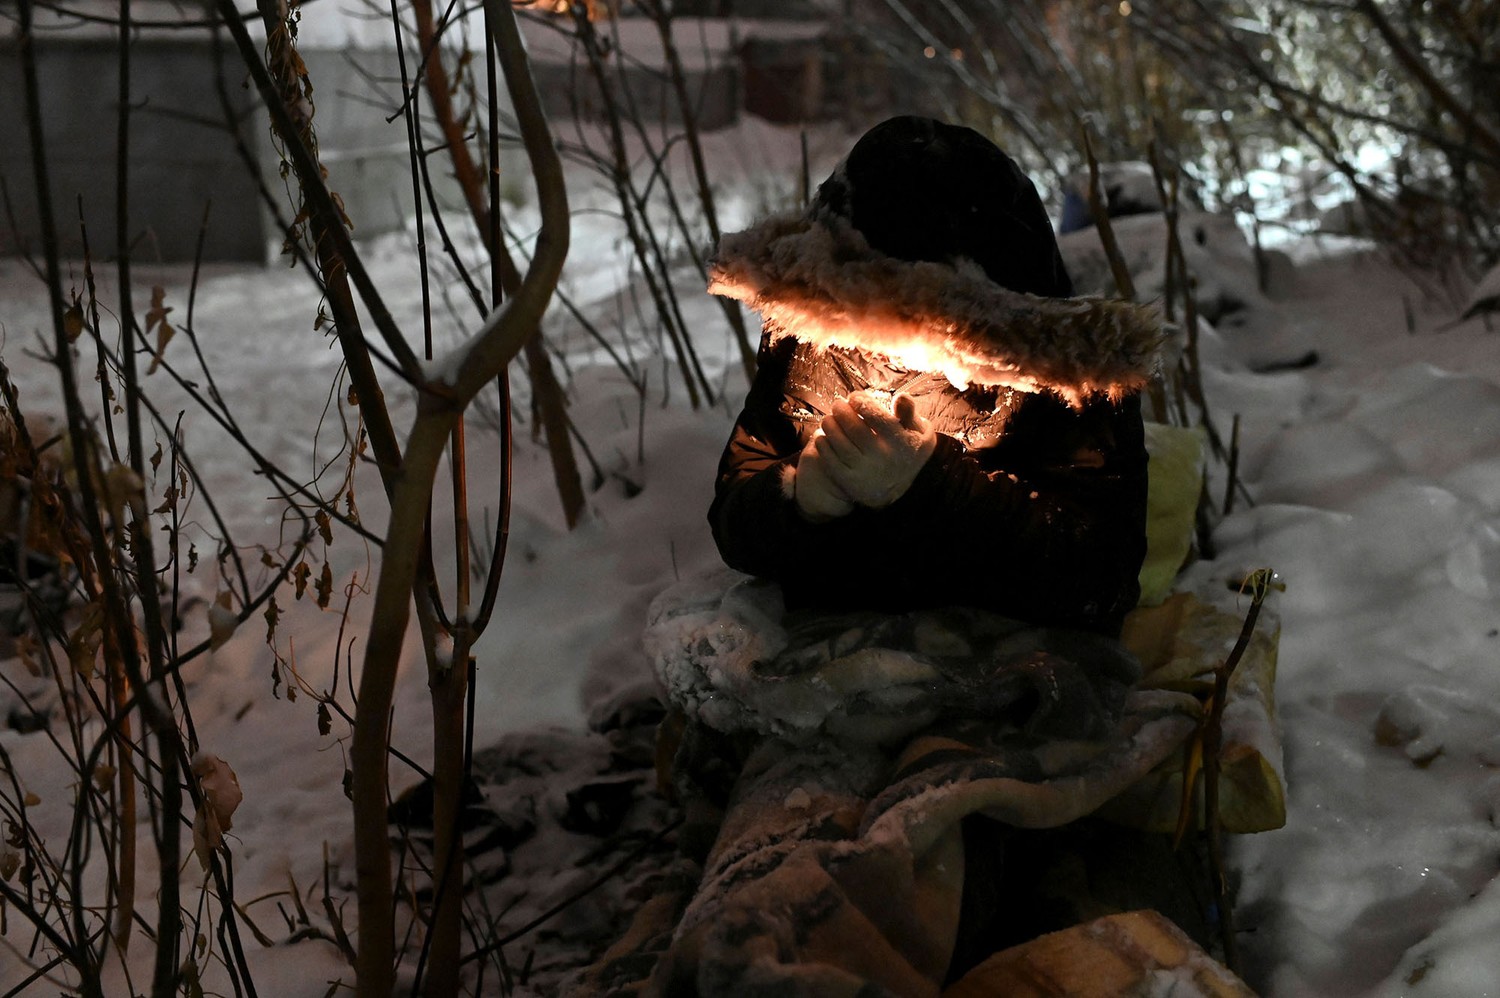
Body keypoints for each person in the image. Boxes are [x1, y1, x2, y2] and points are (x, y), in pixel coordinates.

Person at [707, 115, 1161, 636]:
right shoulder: (811, 337)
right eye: (866, 327)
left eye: (919, 336)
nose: (895, 361)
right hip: (831, 637)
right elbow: (735, 518)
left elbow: (1101, 582)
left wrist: (930, 485)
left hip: (1009, 653)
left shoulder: (1071, 382)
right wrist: (797, 498)